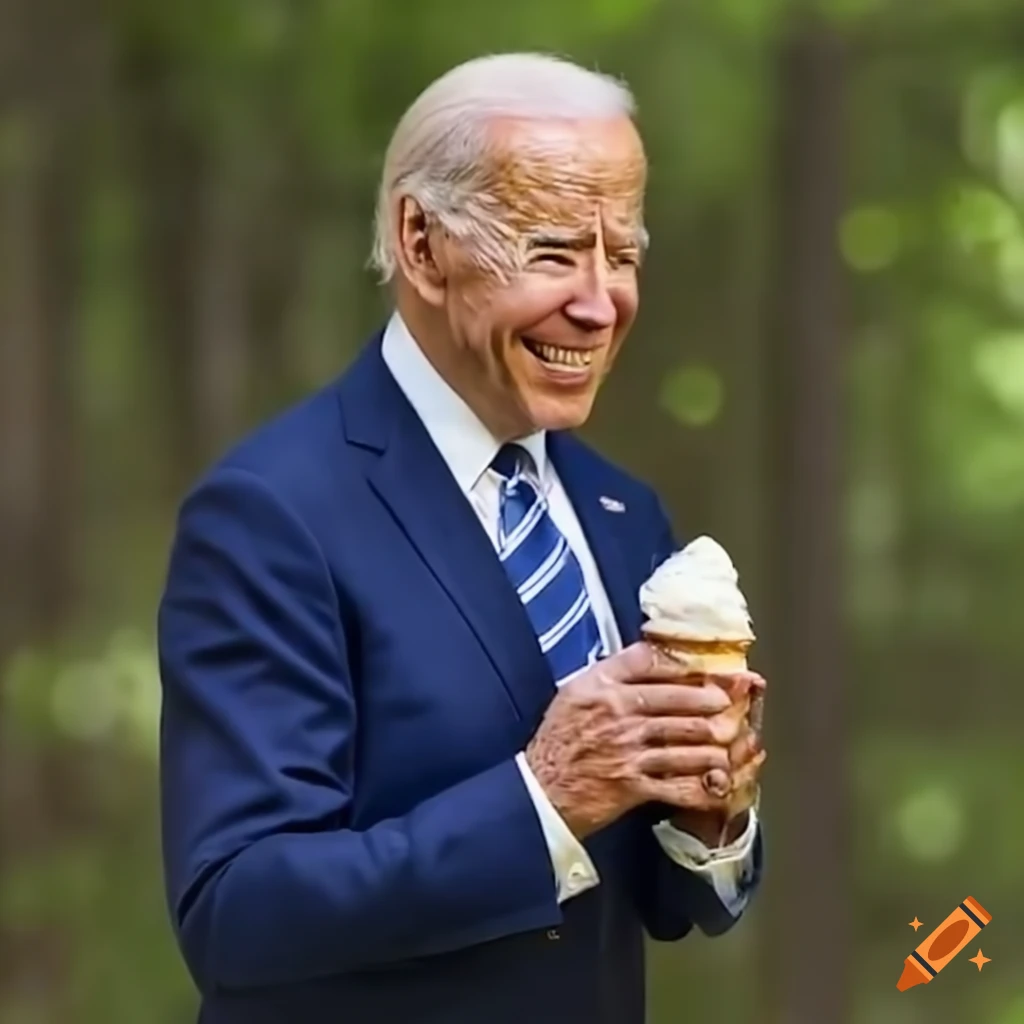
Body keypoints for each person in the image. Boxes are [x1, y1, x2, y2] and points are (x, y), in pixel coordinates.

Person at [157, 52, 766, 1024]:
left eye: (625, 255)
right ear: (422, 242)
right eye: (557, 250)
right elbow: (236, 911)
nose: (601, 303)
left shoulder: (625, 513)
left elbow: (669, 903)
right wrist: (544, 800)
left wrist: (711, 817)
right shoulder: (269, 512)